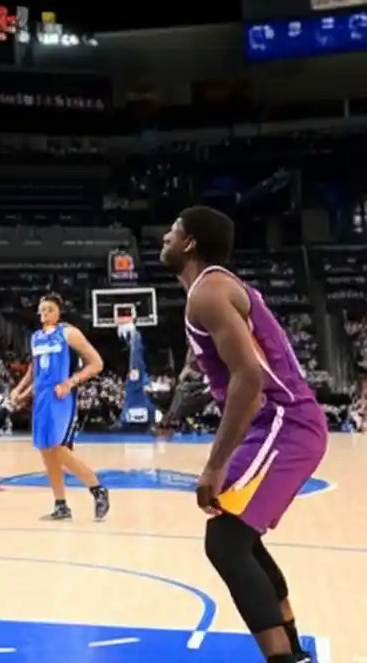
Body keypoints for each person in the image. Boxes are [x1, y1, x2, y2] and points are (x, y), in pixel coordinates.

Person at [161, 206, 325, 663]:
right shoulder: (212, 289)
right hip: (281, 422)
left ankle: (283, 659)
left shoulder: (208, 292)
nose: (165, 237)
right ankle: (294, 652)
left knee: (225, 543)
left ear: (190, 243)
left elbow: (249, 380)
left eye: (172, 231)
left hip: (284, 422)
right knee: (241, 538)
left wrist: (215, 465)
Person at [9, 294, 110, 521]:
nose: (45, 313)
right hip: (42, 397)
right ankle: (61, 505)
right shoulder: (36, 338)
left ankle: (97, 488)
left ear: (58, 312)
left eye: (49, 309)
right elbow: (34, 371)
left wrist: (71, 382)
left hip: (61, 396)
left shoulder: (68, 333)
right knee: (46, 452)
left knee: (58, 448)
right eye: (42, 309)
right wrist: (20, 391)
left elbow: (96, 363)